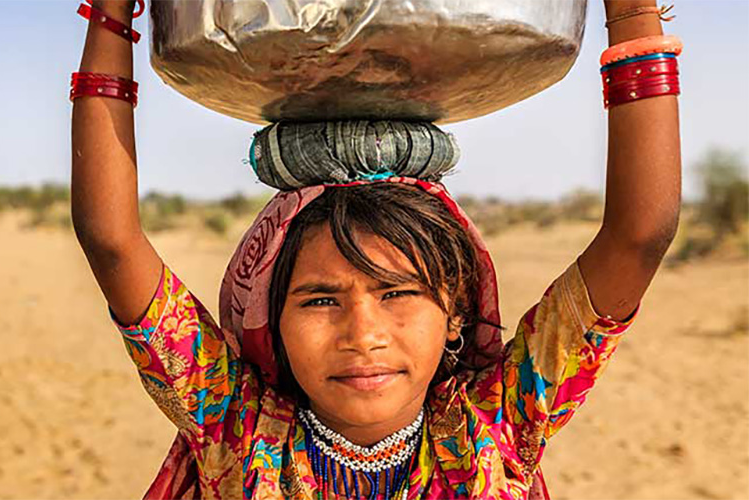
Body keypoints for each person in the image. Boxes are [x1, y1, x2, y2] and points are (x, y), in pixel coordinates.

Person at [69, 0, 681, 497]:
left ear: (456, 314)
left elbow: (638, 234)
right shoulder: (239, 431)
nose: (363, 334)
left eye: (398, 293)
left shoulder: (495, 426)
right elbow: (113, 242)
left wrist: (632, 14)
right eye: (318, 301)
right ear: (271, 322)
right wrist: (110, 18)